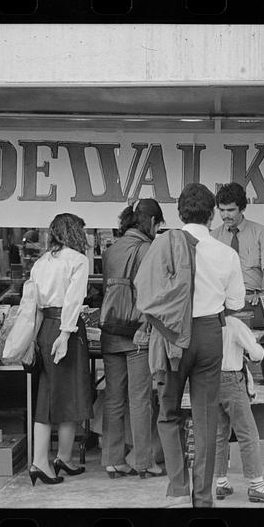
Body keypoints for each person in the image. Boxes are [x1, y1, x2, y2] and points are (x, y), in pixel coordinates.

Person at [135, 183, 246, 508]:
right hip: (210, 334)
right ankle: (202, 496)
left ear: (179, 213)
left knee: (168, 413)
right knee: (206, 416)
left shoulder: (162, 244)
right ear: (212, 215)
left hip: (172, 338)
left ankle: (179, 487)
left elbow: (144, 292)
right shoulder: (227, 253)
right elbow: (236, 302)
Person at [100, 199, 166, 479]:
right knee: (140, 399)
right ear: (150, 222)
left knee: (114, 399)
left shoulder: (111, 249)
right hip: (138, 332)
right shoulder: (148, 249)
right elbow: (152, 294)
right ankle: (144, 461)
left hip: (111, 331)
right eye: (158, 224)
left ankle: (113, 460)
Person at [27, 213, 93, 486]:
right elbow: (74, 299)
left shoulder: (41, 262)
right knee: (69, 394)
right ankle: (45, 461)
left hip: (44, 328)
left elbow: (33, 302)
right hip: (66, 329)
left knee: (50, 392)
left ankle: (58, 458)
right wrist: (66, 334)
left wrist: (36, 338)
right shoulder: (78, 260)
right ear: (76, 233)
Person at [214, 313, 264, 503]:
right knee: (248, 434)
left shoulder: (202, 321)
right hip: (231, 379)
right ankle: (257, 485)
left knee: (220, 434)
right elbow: (257, 353)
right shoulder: (234, 323)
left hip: (209, 382)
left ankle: (221, 483)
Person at [213, 182, 264, 381]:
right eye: (222, 210)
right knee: (228, 356)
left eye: (231, 210)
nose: (226, 215)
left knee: (260, 355)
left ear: (242, 208)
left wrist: (263, 294)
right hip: (224, 304)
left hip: (254, 301)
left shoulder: (261, 232)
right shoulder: (213, 236)